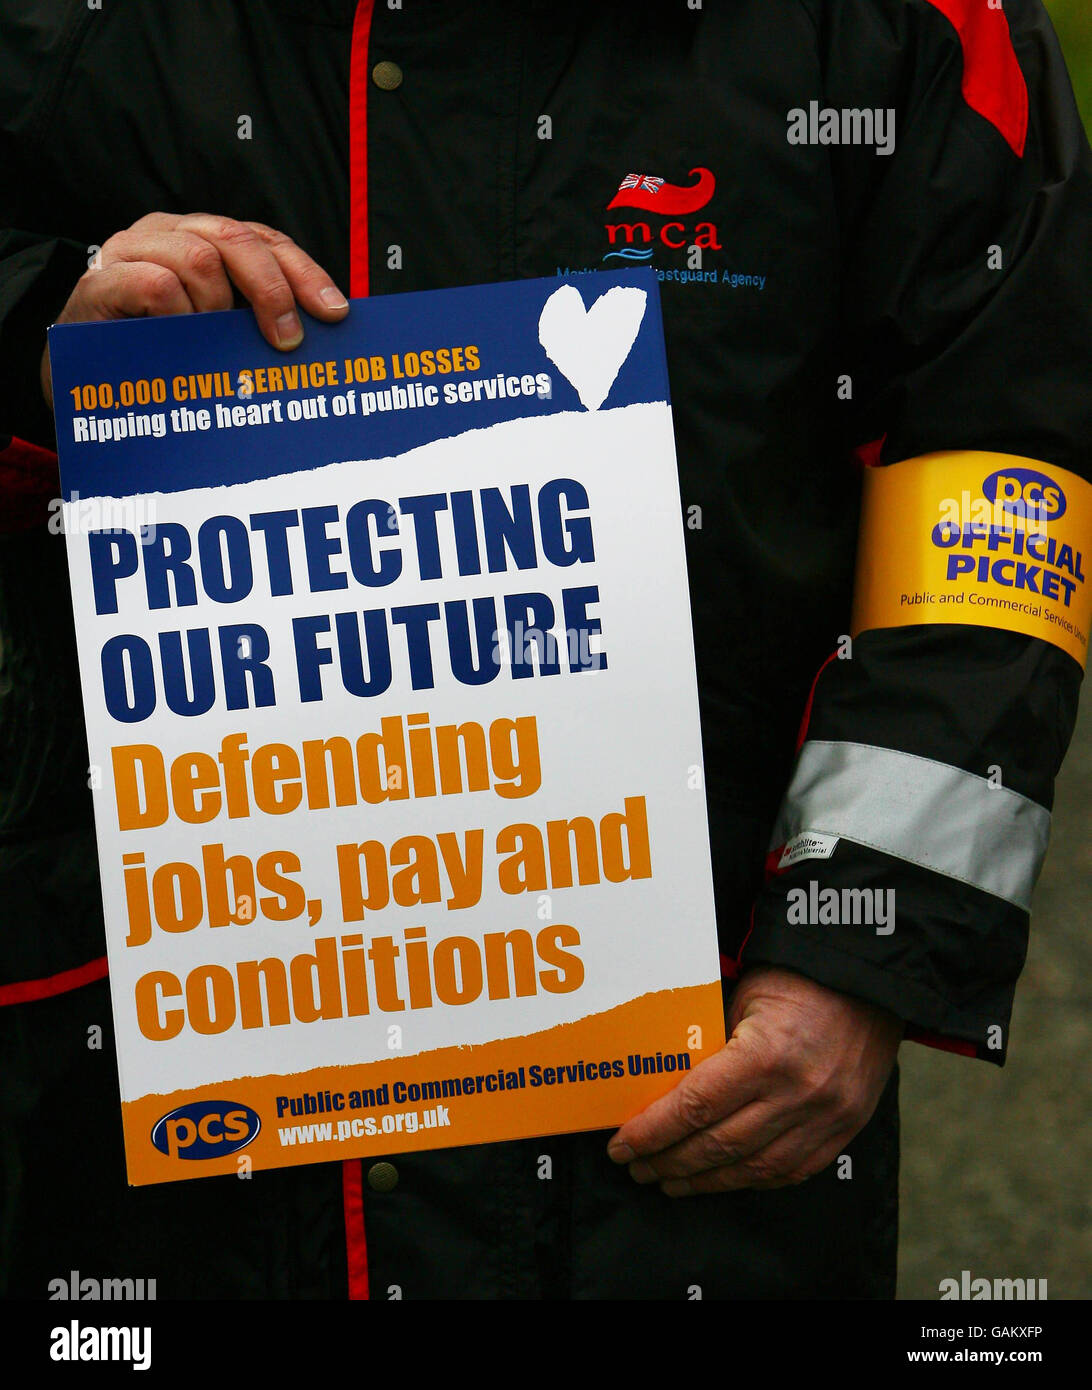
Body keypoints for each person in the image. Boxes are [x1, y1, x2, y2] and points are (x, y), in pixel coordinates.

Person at [2, 0, 1089, 1300]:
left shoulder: (895, 29)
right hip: (146, 1110)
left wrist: (863, 948)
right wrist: (38, 329)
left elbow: (995, 460)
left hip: (688, 1105)